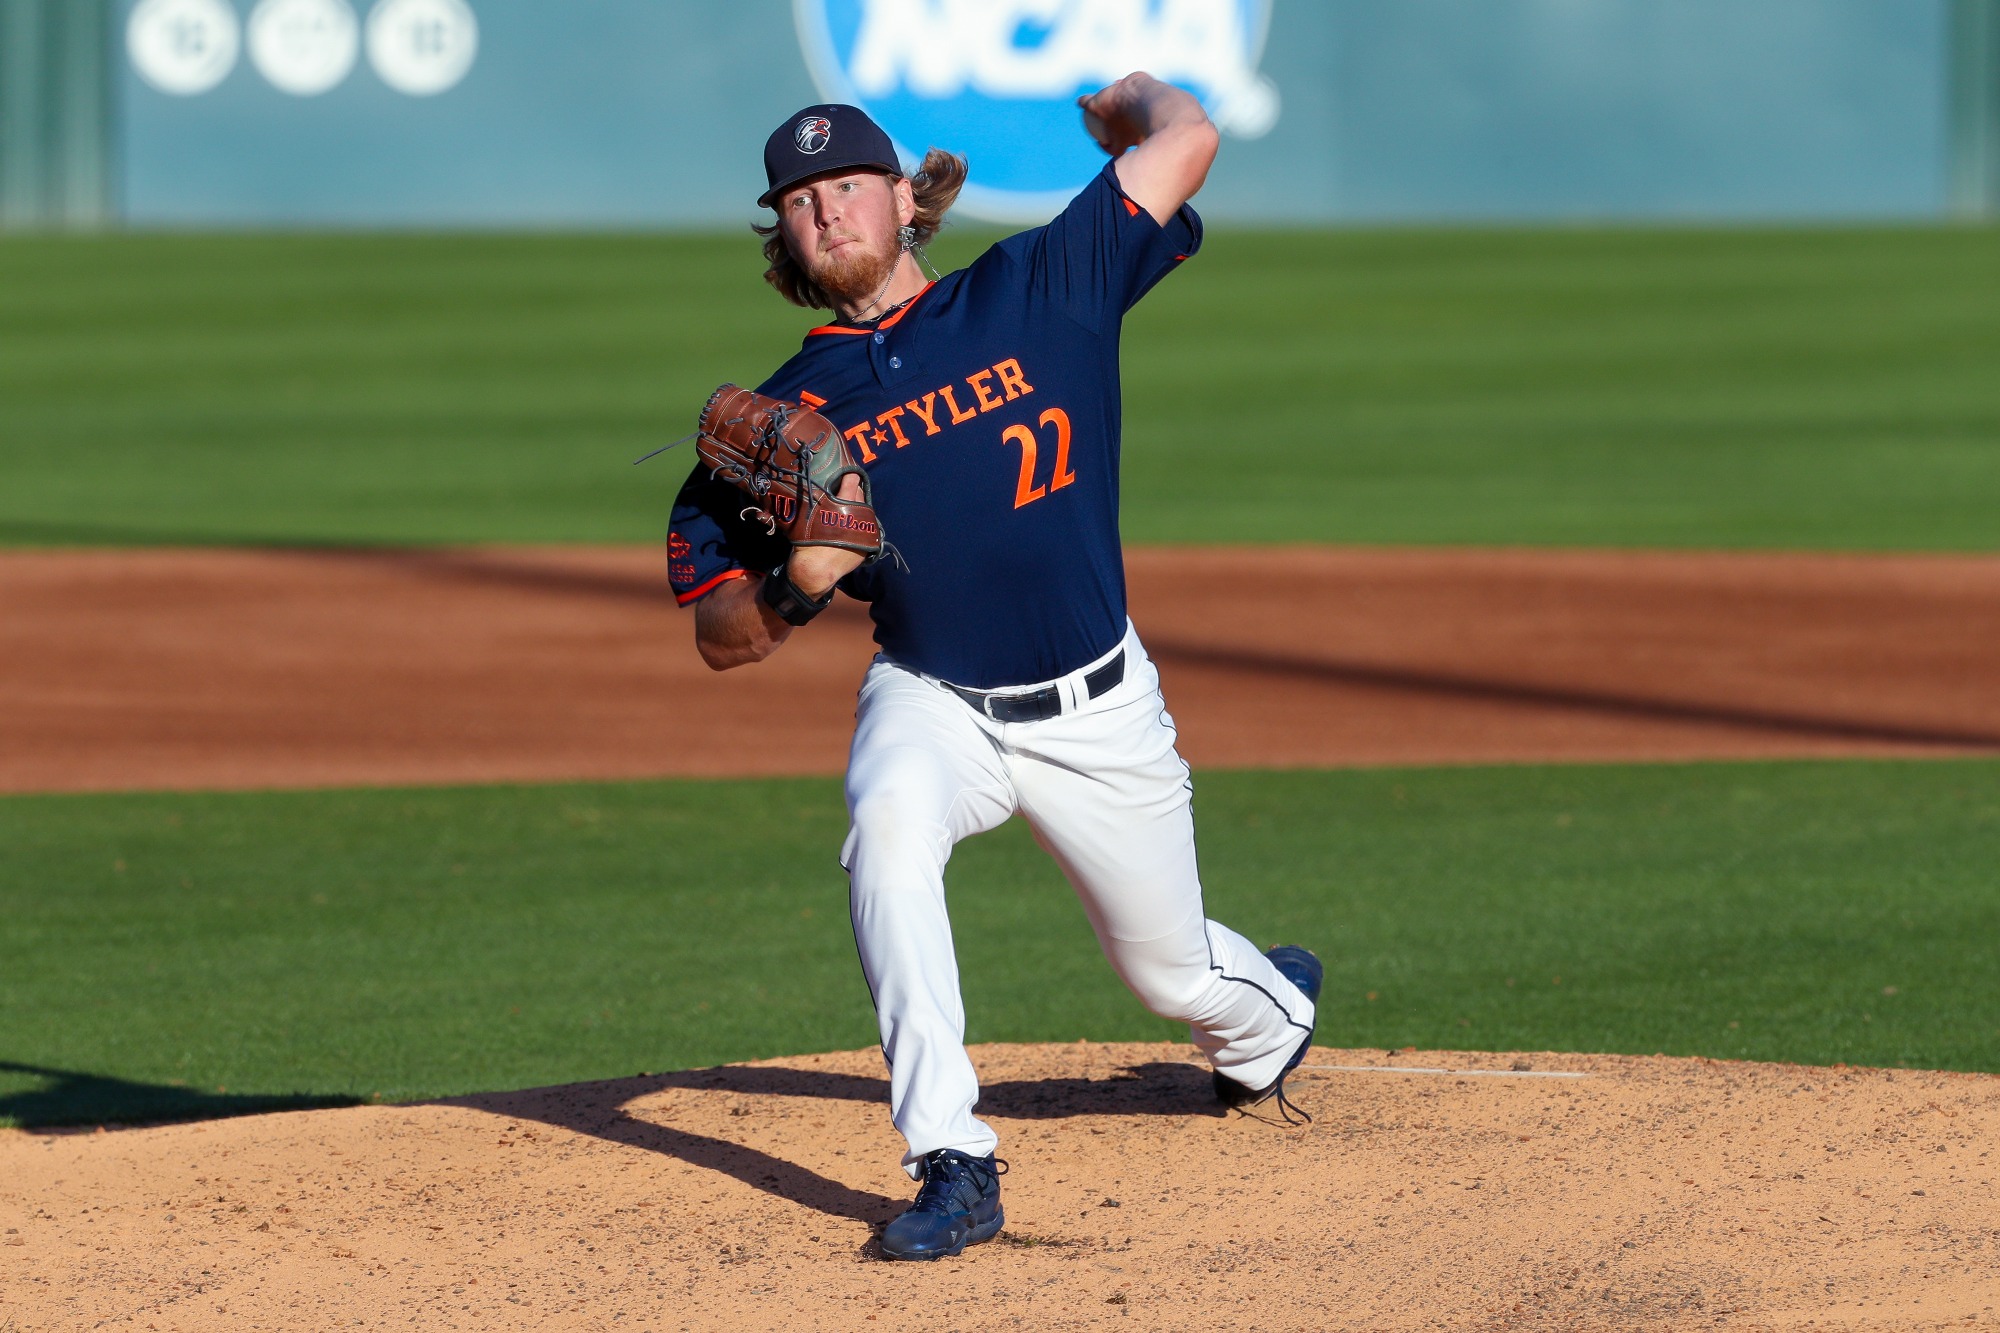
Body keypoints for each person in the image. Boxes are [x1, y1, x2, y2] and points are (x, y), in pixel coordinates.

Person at [666, 76, 1322, 1262]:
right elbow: (720, 633)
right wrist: (794, 585)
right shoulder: (778, 419)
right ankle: (953, 1160)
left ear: (904, 201)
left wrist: (1124, 102)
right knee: (886, 829)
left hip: (1098, 704)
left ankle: (1267, 1014)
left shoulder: (1038, 284)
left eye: (846, 187)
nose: (826, 213)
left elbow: (1190, 139)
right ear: (783, 238)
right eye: (799, 200)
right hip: (932, 692)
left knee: (1172, 973)